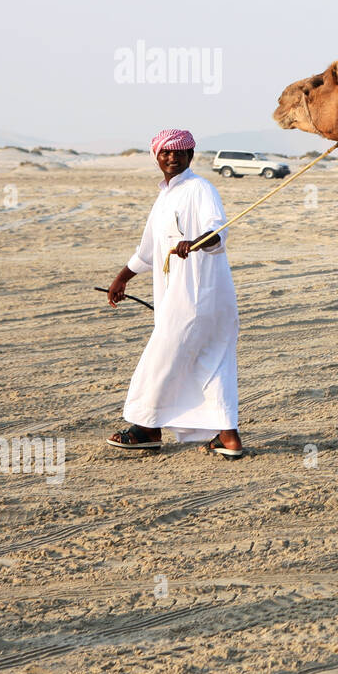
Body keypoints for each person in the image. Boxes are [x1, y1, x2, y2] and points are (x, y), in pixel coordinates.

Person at [105, 128, 244, 458]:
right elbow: (148, 251)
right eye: (165, 153)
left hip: (198, 298)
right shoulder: (165, 196)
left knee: (161, 358)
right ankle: (228, 438)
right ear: (156, 157)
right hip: (189, 299)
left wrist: (197, 241)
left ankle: (146, 429)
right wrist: (122, 278)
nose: (171, 158)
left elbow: (219, 232)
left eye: (179, 153)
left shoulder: (200, 188)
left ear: (190, 156)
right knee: (212, 364)